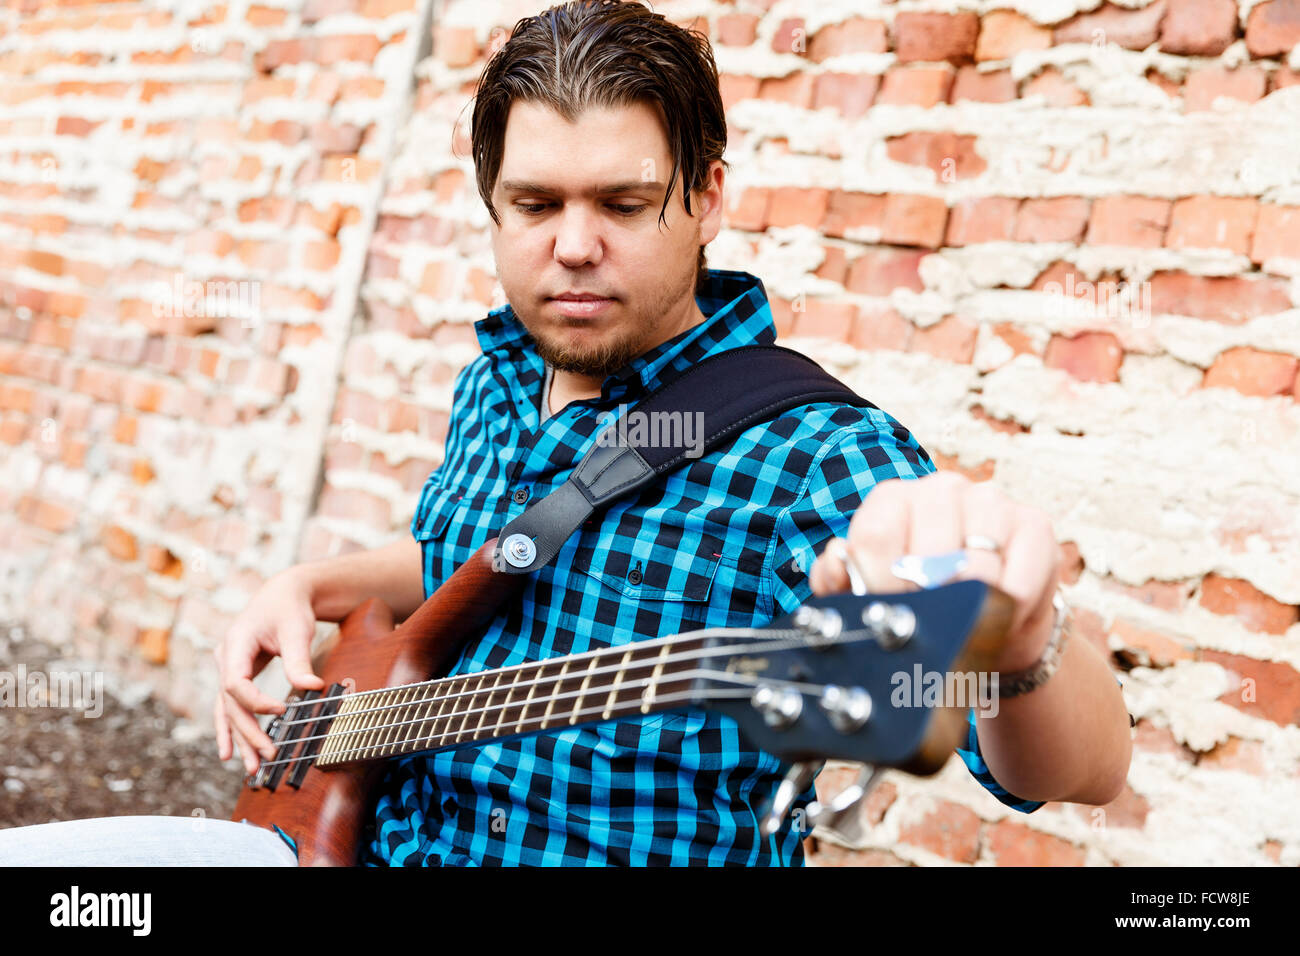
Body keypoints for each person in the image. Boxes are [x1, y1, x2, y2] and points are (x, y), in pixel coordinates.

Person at [0, 0, 1130, 866]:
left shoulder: (810, 455)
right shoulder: (496, 377)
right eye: (536, 204)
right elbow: (457, 552)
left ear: (708, 198)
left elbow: (1086, 766)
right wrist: (310, 579)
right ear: (492, 204)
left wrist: (1021, 638)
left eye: (623, 205)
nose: (574, 245)